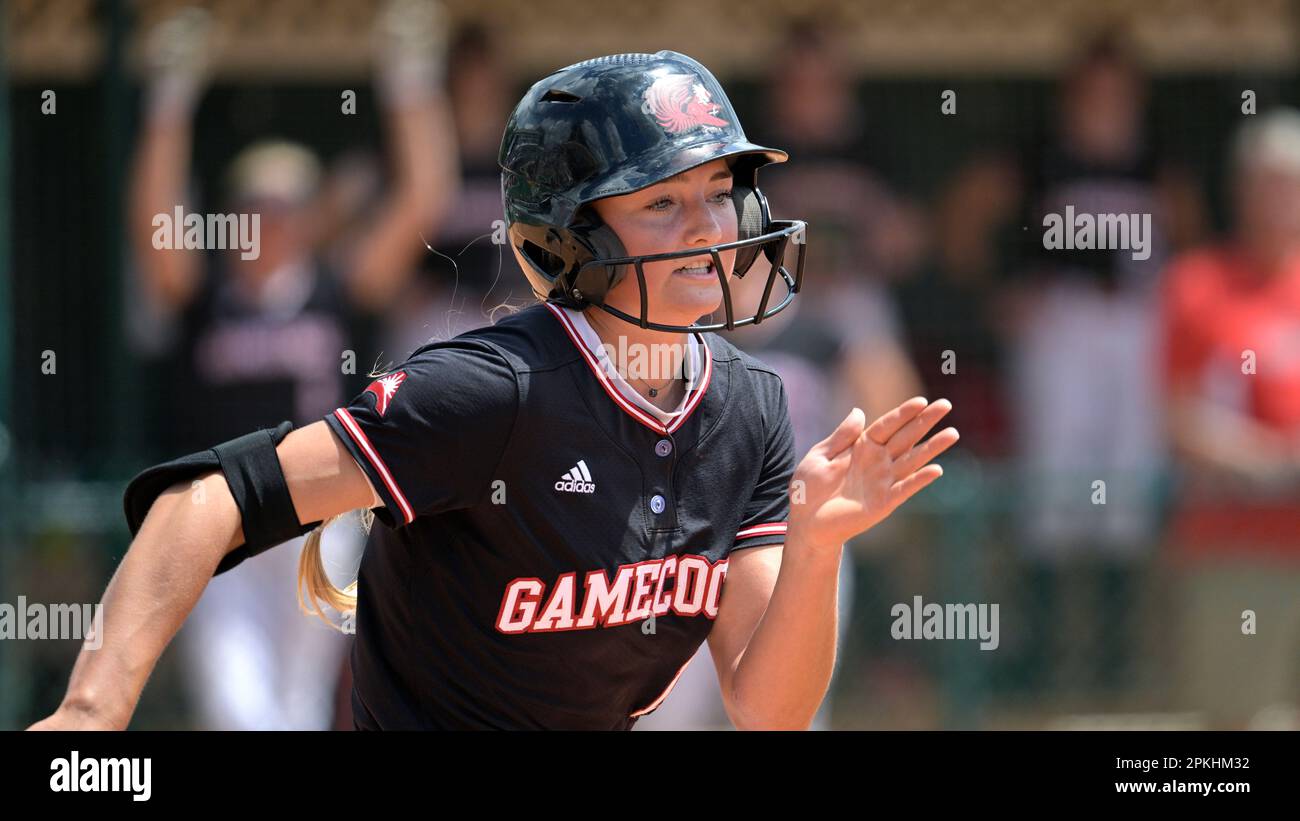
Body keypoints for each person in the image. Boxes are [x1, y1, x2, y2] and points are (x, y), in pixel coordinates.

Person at [31, 51, 957, 731]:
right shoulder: (493, 390)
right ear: (567, 241)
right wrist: (90, 712)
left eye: (720, 191)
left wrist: (818, 546)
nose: (711, 229)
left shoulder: (749, 410)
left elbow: (768, 710)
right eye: (662, 203)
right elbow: (209, 500)